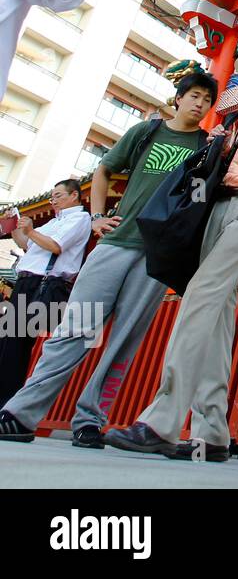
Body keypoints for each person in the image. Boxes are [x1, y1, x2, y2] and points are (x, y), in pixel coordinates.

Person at [104, 44, 238, 459]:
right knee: (218, 312)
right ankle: (213, 432)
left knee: (199, 296)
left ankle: (162, 421)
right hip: (219, 207)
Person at [0, 72, 219, 448]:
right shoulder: (146, 132)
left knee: (124, 340)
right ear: (179, 98)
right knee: (76, 329)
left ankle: (90, 420)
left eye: (206, 100)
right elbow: (104, 170)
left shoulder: (205, 145)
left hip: (156, 256)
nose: (199, 104)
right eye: (194, 96)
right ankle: (21, 414)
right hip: (116, 243)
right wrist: (97, 216)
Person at [0, 180, 92, 405]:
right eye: (52, 196)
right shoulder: (53, 221)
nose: (54, 200)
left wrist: (30, 231)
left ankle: (7, 401)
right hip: (25, 282)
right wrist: (15, 228)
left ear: (74, 196)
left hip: (45, 283)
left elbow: (55, 246)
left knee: (18, 342)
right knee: (7, 341)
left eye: (59, 195)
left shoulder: (80, 218)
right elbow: (27, 244)